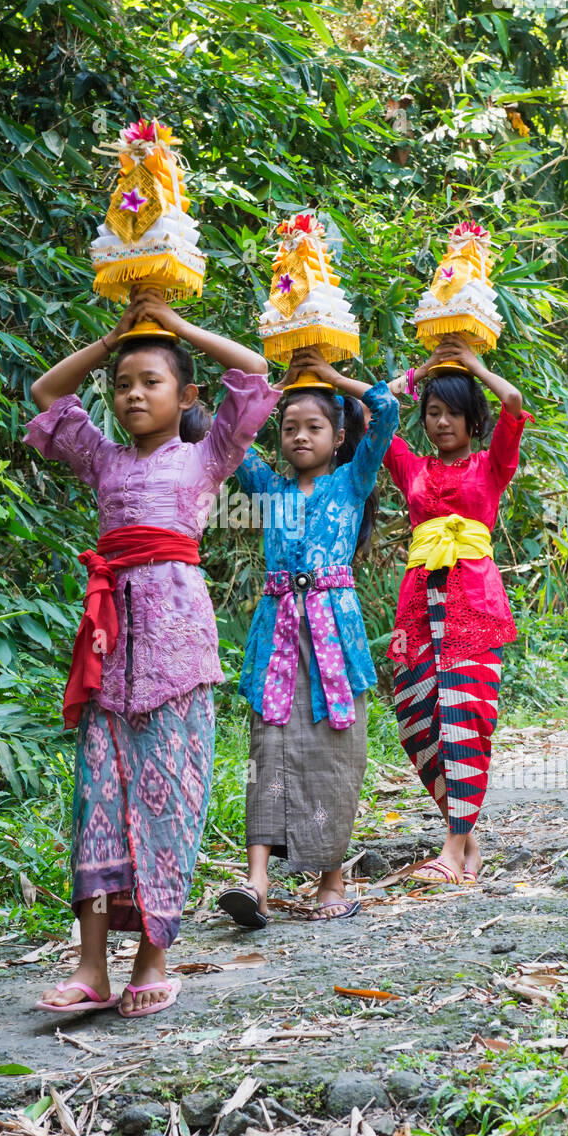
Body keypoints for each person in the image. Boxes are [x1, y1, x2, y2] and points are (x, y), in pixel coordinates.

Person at [24, 288, 280, 1016]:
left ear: (184, 394)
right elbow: (47, 393)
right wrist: (112, 341)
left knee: (169, 802)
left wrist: (174, 326)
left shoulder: (207, 458)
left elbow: (254, 373)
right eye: (123, 386)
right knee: (98, 802)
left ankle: (153, 962)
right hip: (108, 652)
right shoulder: (101, 460)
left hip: (178, 653)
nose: (133, 395)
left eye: (151, 381)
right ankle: (90, 968)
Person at [218, 345, 399, 927]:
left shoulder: (351, 482)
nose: (299, 437)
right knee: (266, 747)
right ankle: (257, 881)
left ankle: (332, 879)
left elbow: (386, 411)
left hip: (334, 638)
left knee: (333, 749)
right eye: (290, 427)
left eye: (314, 426)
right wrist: (276, 389)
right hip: (276, 635)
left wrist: (330, 376)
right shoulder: (266, 487)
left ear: (339, 436)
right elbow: (236, 434)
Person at [384, 334, 534, 886]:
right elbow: (372, 408)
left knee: (464, 718)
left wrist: (472, 364)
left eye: (453, 413)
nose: (441, 422)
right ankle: (468, 840)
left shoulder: (492, 466)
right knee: (416, 717)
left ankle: (450, 851)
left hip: (474, 598)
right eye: (432, 412)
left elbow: (514, 403)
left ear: (473, 420)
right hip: (420, 603)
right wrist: (422, 370)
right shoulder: (410, 467)